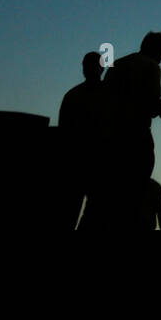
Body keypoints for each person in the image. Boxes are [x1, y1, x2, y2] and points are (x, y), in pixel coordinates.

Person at [101, 32, 161, 229]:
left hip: (109, 136)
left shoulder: (118, 65)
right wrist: (160, 109)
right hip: (136, 135)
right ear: (158, 51)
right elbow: (151, 103)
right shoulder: (151, 67)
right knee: (135, 193)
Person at [57, 51, 112, 229]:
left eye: (90, 65)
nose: (86, 68)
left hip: (91, 162)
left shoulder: (74, 95)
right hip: (84, 162)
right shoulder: (106, 94)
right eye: (85, 65)